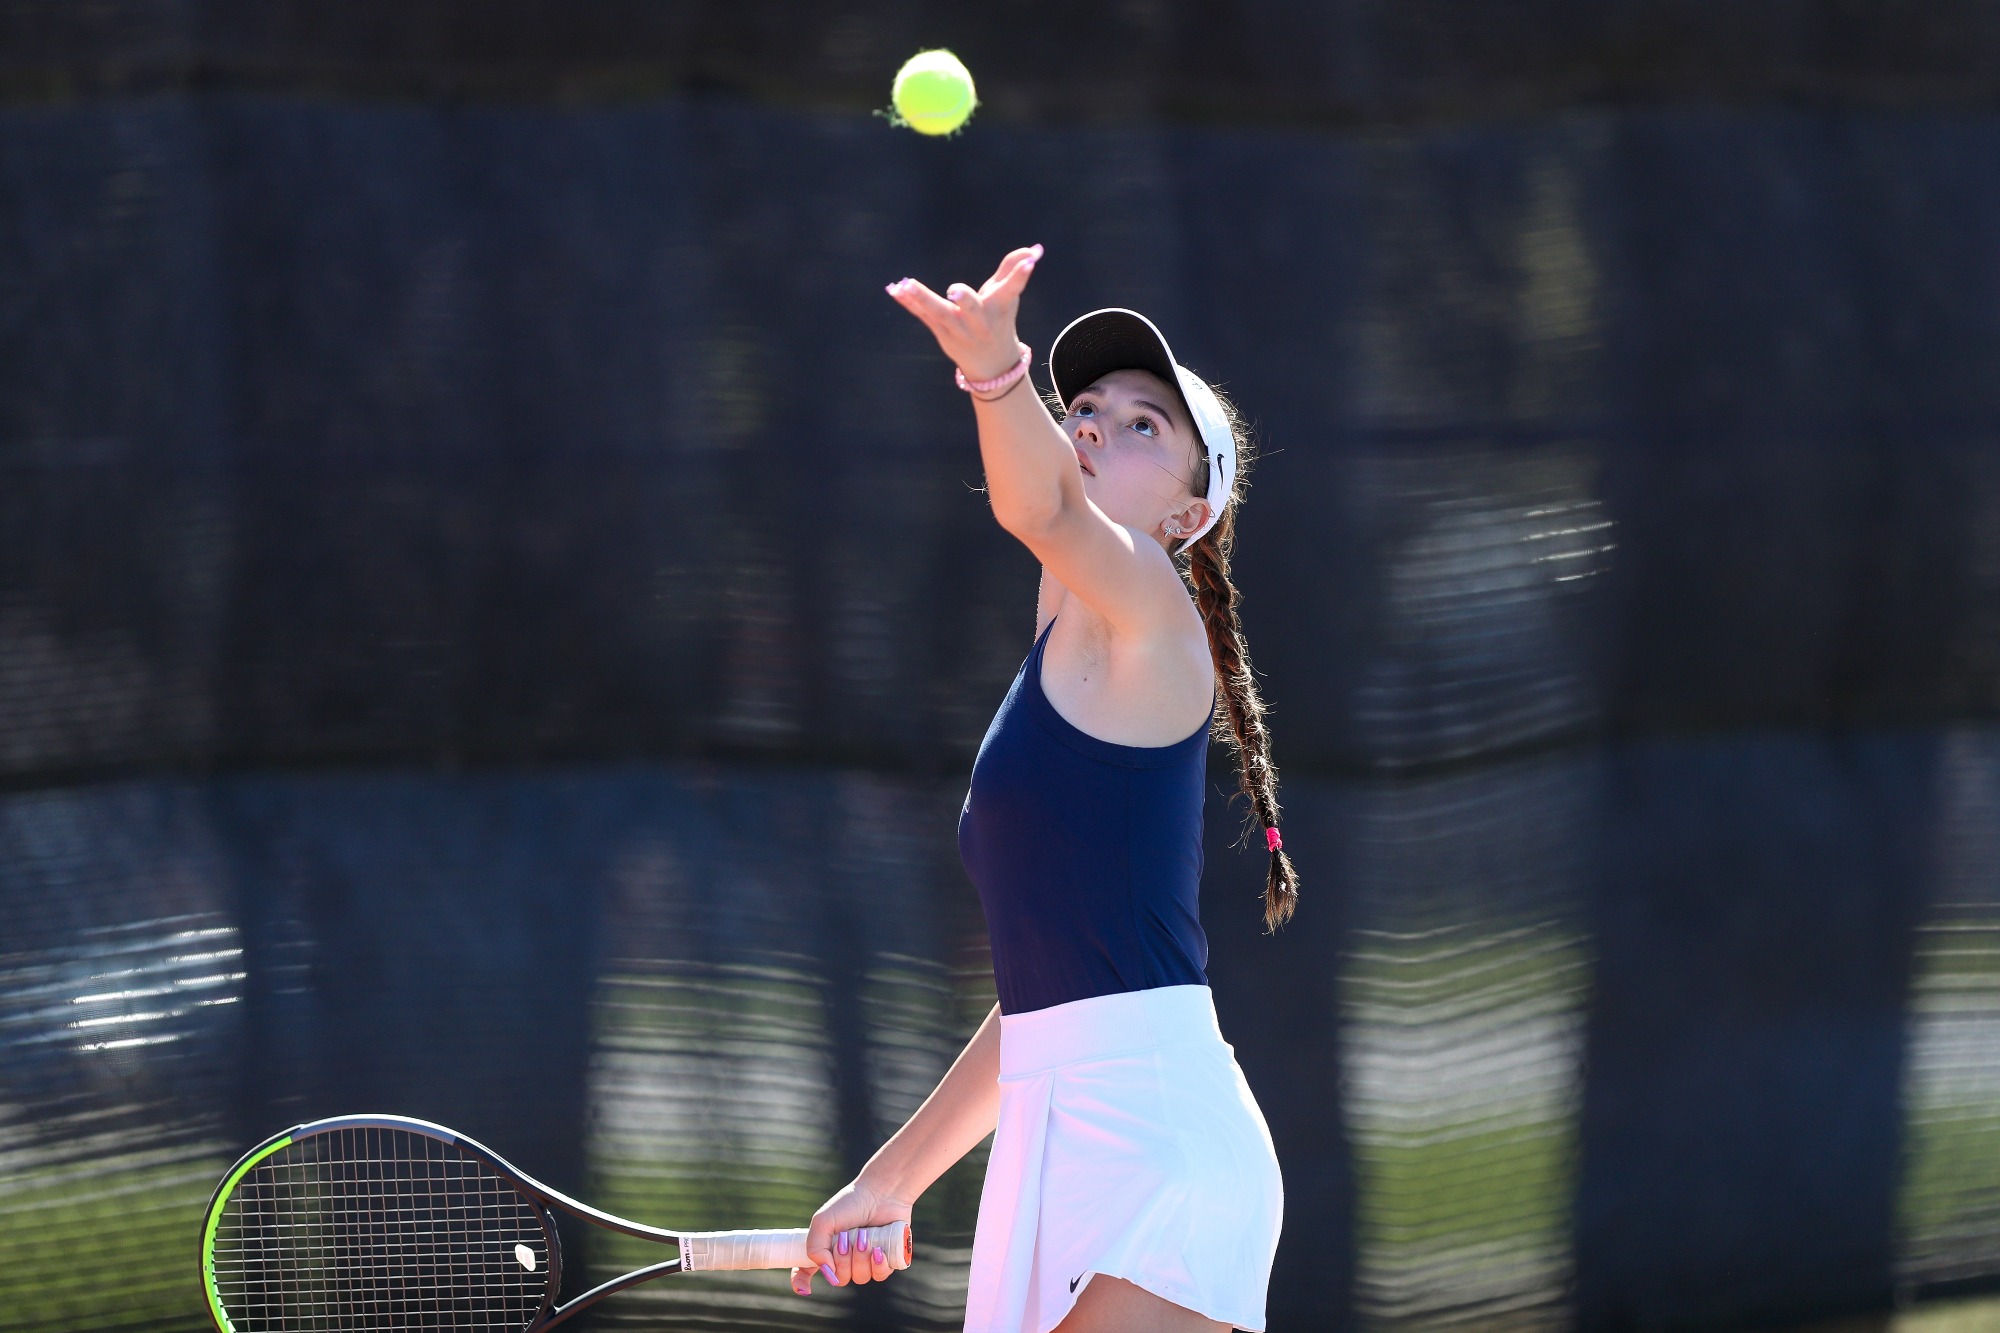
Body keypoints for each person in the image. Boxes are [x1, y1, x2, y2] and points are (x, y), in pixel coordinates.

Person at [789, 245, 1295, 1333]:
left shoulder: (1156, 613)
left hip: (1158, 1146)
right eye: (1088, 407)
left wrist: (994, 371)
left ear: (1184, 517)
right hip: (1059, 1125)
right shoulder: (1052, 656)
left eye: (1144, 424)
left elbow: (1045, 513)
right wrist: (891, 1175)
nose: (1098, 423)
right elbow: (1043, 995)